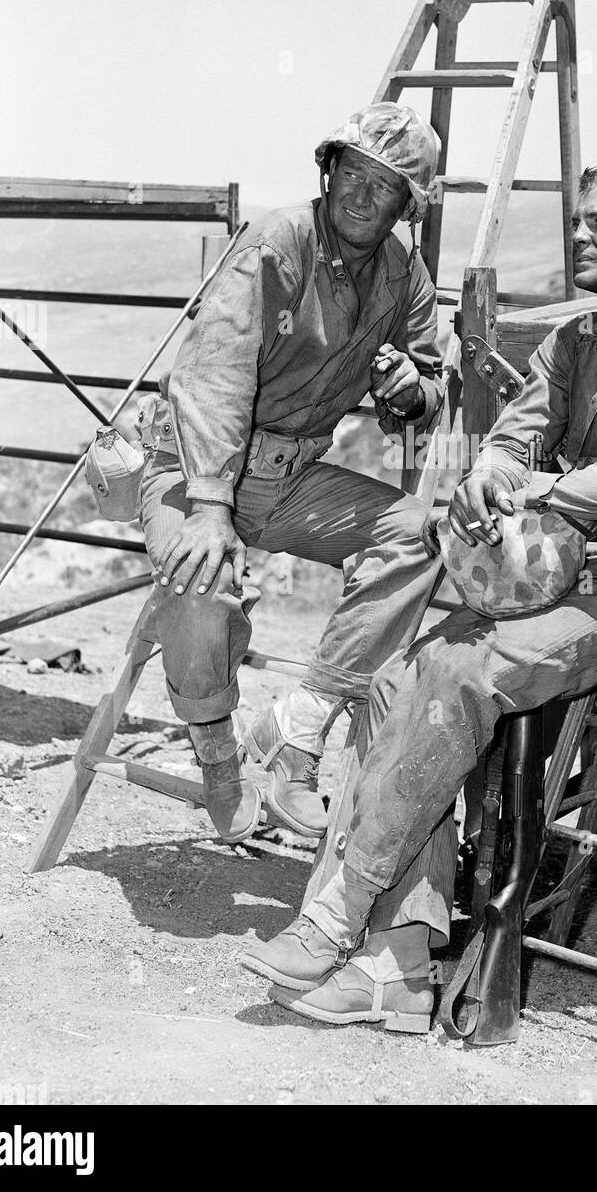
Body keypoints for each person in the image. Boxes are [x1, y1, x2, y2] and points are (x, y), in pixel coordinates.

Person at [246, 157, 597, 1033]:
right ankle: (400, 963)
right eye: (578, 222)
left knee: (457, 676)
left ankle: (336, 918)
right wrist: (490, 470)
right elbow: (516, 431)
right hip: (572, 570)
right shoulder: (578, 340)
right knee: (392, 679)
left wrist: (528, 491)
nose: (581, 236)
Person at [138, 103, 445, 845]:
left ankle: (296, 730)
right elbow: (214, 377)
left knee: (415, 538)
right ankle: (218, 756)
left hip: (289, 478)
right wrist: (210, 509)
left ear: (407, 207)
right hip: (194, 467)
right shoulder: (278, 242)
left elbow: (429, 386)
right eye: (352, 173)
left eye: (386, 186)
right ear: (329, 170)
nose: (362, 195)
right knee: (199, 577)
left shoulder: (405, 274)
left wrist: (411, 390)